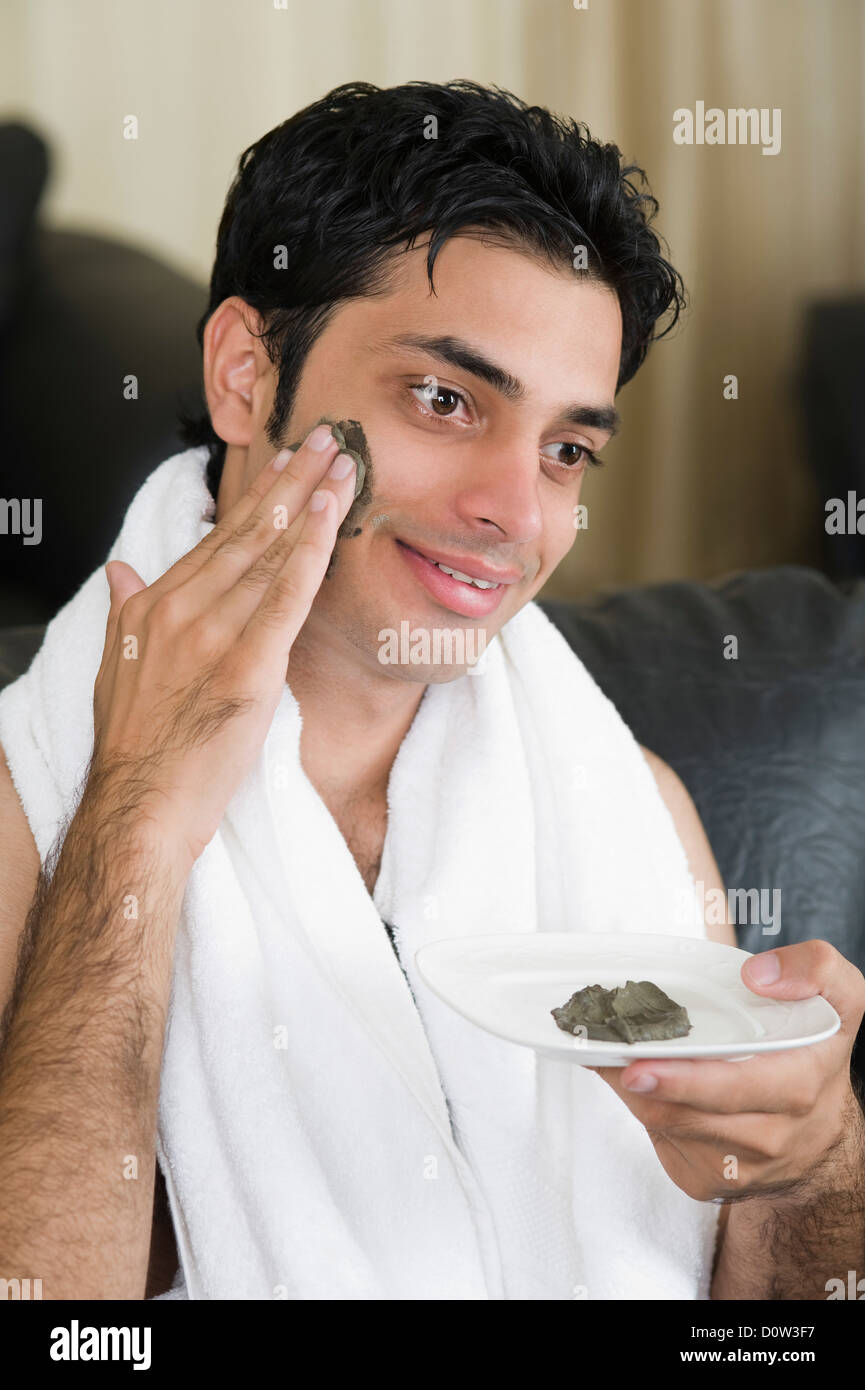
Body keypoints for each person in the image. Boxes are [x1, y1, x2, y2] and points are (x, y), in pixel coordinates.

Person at [0, 81, 862, 1301]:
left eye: (567, 449)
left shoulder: (629, 808)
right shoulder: (29, 803)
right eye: (446, 399)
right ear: (248, 375)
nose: (519, 513)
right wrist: (136, 812)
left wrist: (811, 1155)